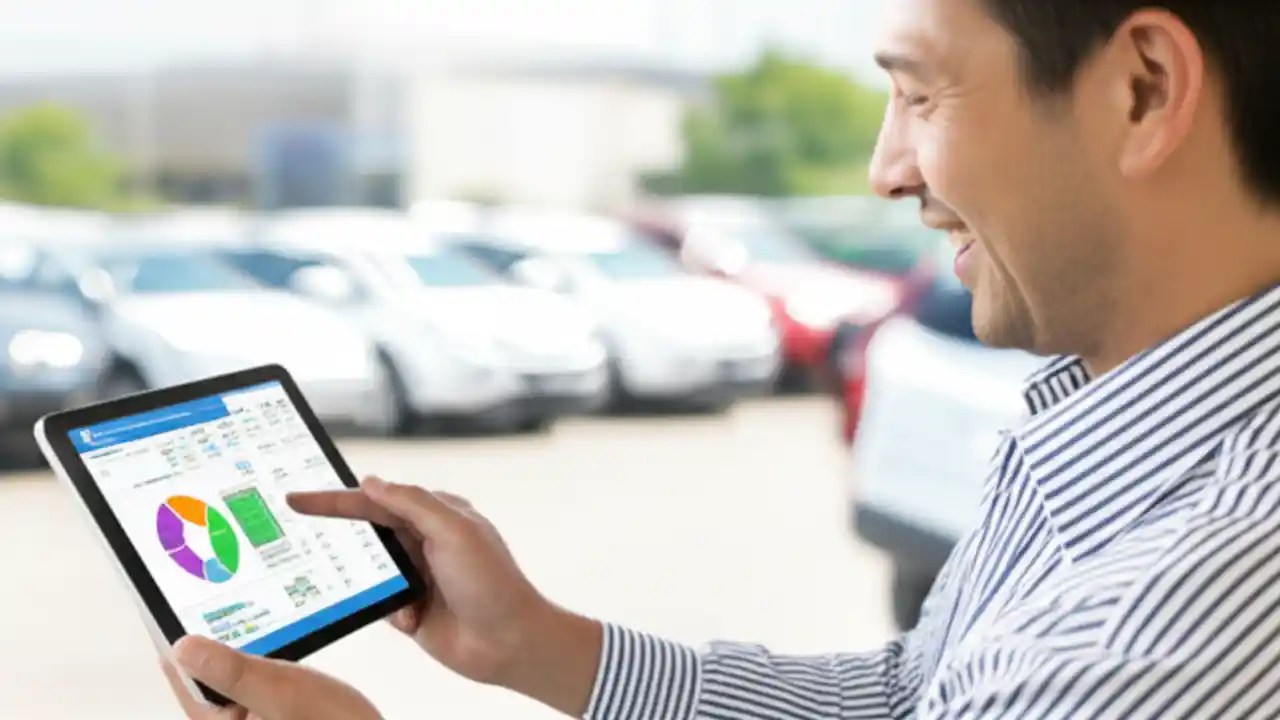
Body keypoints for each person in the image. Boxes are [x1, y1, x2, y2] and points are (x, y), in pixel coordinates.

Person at [167, 0, 1280, 717]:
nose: (884, 168)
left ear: (1139, 89)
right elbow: (916, 698)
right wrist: (545, 649)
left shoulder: (1169, 623)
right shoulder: (1116, 438)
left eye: (918, 92)